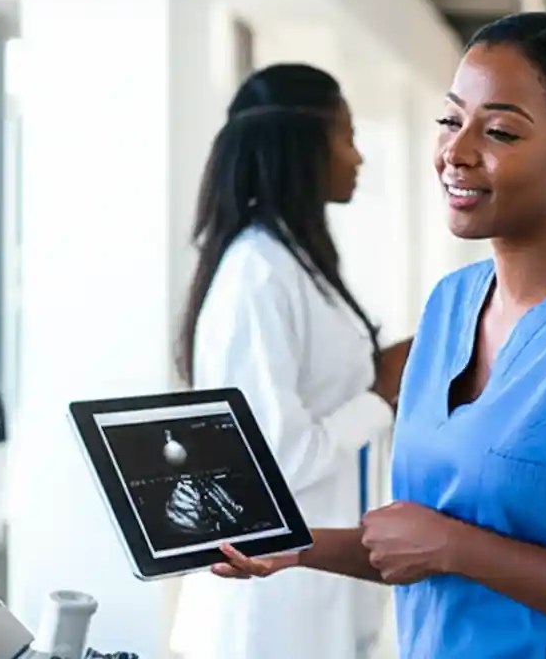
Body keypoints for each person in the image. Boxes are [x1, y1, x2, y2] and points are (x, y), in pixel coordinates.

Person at [212, 12, 546, 657]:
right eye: (451, 120)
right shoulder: (451, 306)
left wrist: (458, 548)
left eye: (501, 131)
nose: (456, 153)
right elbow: (426, 542)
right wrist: (295, 546)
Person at [170, 63, 411, 659]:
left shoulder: (295, 262)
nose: (356, 157)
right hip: (267, 617)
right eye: (345, 136)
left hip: (316, 597)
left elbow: (312, 395)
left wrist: (379, 375)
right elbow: (273, 459)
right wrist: (379, 395)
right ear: (301, 146)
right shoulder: (257, 273)